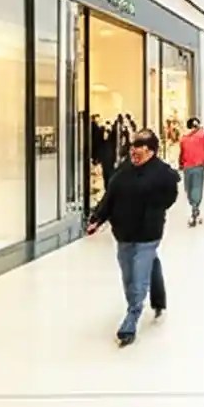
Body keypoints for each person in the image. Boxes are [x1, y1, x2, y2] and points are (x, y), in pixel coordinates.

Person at [87, 129, 179, 347]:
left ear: (151, 151)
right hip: (124, 233)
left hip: (148, 233)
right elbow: (110, 197)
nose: (135, 153)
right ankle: (158, 300)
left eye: (140, 149)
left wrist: (154, 210)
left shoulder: (162, 173)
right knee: (131, 274)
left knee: (138, 278)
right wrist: (97, 218)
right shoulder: (123, 171)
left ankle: (131, 320)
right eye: (133, 149)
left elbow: (170, 197)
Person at [179, 117, 204, 227]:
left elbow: (182, 152)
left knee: (191, 189)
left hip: (192, 166)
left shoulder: (187, 137)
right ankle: (195, 207)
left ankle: (194, 208)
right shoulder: (201, 135)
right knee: (194, 188)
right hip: (195, 166)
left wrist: (181, 163)